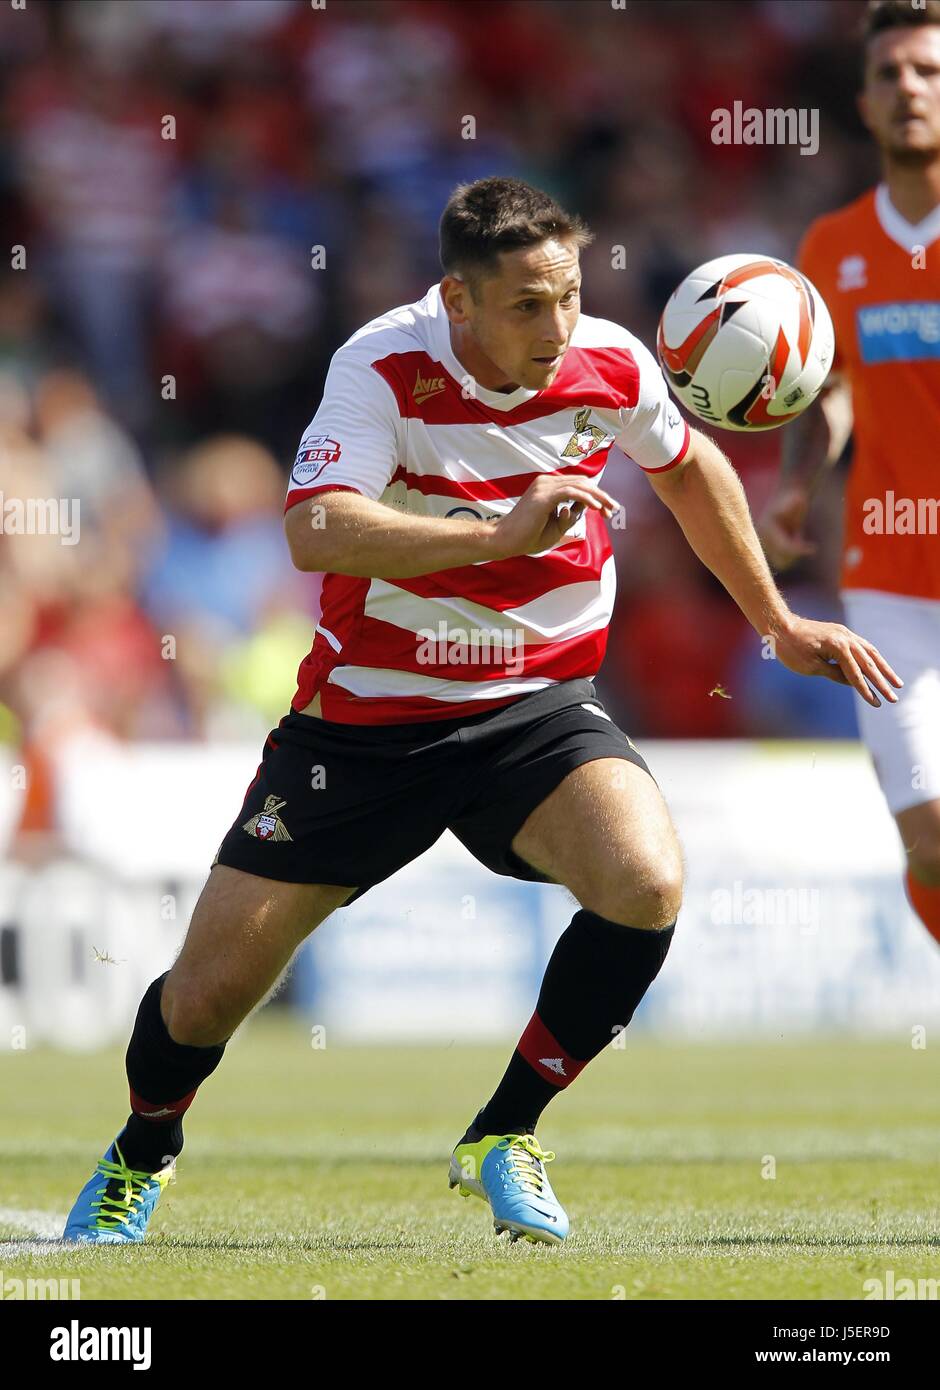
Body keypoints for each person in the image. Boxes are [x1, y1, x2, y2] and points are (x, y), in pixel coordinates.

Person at [65, 175, 899, 1248]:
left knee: (644, 879)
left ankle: (504, 1131)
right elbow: (318, 529)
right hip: (363, 725)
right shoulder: (380, 364)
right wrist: (493, 536)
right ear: (457, 301)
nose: (558, 326)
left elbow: (688, 471)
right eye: (525, 305)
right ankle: (143, 1147)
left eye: (567, 294)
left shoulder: (609, 359)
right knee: (202, 1002)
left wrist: (776, 623)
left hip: (532, 708)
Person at [760, 0, 940, 951]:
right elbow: (823, 391)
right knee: (930, 842)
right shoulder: (832, 248)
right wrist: (795, 487)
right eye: (891, 74)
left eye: (928, 70)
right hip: (892, 583)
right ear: (865, 103)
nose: (910, 88)